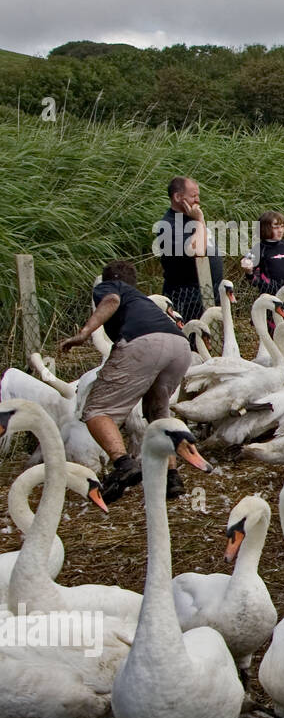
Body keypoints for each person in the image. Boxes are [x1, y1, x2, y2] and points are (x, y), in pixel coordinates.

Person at [59, 260, 194, 502]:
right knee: (158, 412)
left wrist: (84, 333)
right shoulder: (141, 298)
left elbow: (111, 301)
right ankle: (172, 477)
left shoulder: (110, 287)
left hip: (144, 343)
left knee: (96, 409)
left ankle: (123, 464)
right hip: (180, 345)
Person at [154, 175, 223, 323]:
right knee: (192, 341)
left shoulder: (192, 219)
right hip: (188, 300)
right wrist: (199, 220)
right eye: (193, 196)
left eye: (198, 195)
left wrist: (200, 220)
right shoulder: (169, 225)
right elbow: (198, 251)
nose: (198, 200)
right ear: (178, 197)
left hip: (208, 294)